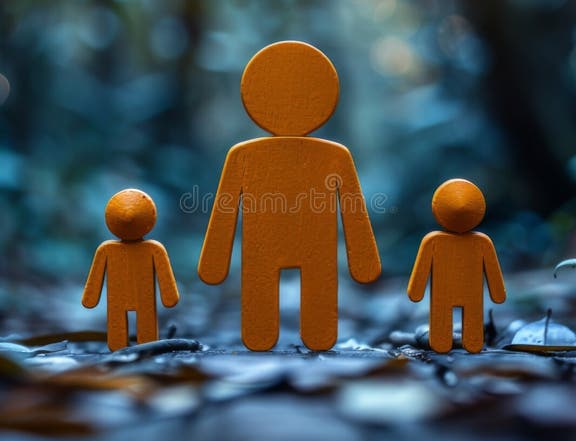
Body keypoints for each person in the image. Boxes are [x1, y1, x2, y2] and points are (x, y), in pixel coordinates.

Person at [198, 40, 381, 351]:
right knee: (264, 303)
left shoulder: (330, 156)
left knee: (314, 306)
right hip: (279, 242)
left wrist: (214, 262)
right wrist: (363, 260)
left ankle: (301, 335)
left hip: (296, 242)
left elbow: (352, 207)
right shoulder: (247, 156)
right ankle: (268, 335)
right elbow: (225, 207)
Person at [407, 178, 506, 353]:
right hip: (470, 291)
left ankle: (451, 342)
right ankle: (469, 342)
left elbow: (422, 269)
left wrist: (416, 291)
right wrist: (497, 293)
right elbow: (492, 271)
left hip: (444, 291)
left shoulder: (433, 241)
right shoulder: (482, 242)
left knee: (445, 316)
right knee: (470, 315)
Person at [82, 188, 179, 351]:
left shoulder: (151, 249)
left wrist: (90, 298)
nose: (128, 217)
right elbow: (96, 276)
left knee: (139, 322)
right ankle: (122, 344)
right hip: (135, 296)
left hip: (128, 296)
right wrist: (169, 297)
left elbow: (164, 274)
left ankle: (135, 343)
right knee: (123, 322)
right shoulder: (150, 249)